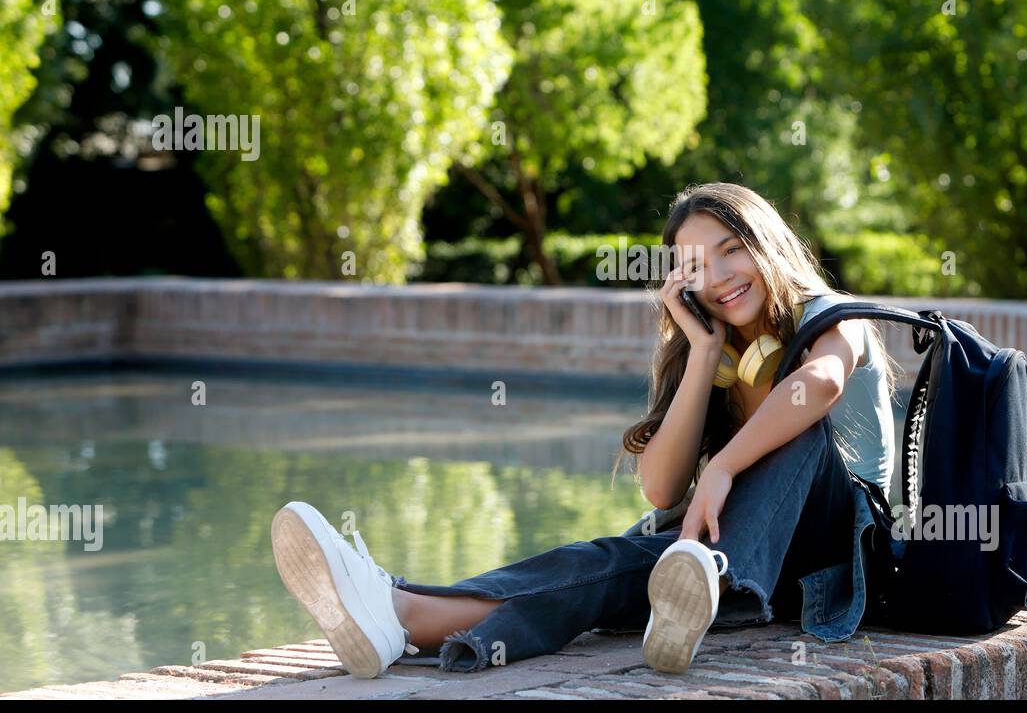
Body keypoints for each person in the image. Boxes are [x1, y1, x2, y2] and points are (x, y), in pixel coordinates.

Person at [270, 181, 899, 678]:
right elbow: (661, 487)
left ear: (766, 245)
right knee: (603, 565)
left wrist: (727, 466)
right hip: (753, 565)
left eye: (732, 250)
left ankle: (710, 580)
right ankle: (404, 620)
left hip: (844, 556)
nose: (720, 276)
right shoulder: (720, 353)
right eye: (697, 267)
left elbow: (818, 387)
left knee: (799, 436)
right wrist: (703, 355)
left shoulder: (831, 317)